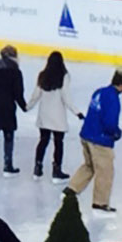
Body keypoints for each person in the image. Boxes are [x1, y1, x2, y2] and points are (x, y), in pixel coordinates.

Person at [66, 69, 122, 213]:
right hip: (100, 141)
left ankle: (71, 189)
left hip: (86, 135)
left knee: (89, 165)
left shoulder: (99, 92)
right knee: (105, 172)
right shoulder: (113, 99)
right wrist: (116, 133)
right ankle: (100, 203)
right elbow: (110, 123)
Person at [27, 51, 79, 179]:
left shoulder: (43, 75)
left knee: (43, 140)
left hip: (44, 115)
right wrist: (77, 112)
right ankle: (57, 170)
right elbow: (66, 97)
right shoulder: (64, 76)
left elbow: (36, 95)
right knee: (58, 143)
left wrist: (28, 107)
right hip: (57, 116)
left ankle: (37, 167)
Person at [0, 45, 27, 173]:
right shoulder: (16, 72)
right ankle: (8, 164)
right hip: (7, 107)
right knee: (8, 135)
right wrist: (24, 107)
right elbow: (18, 93)